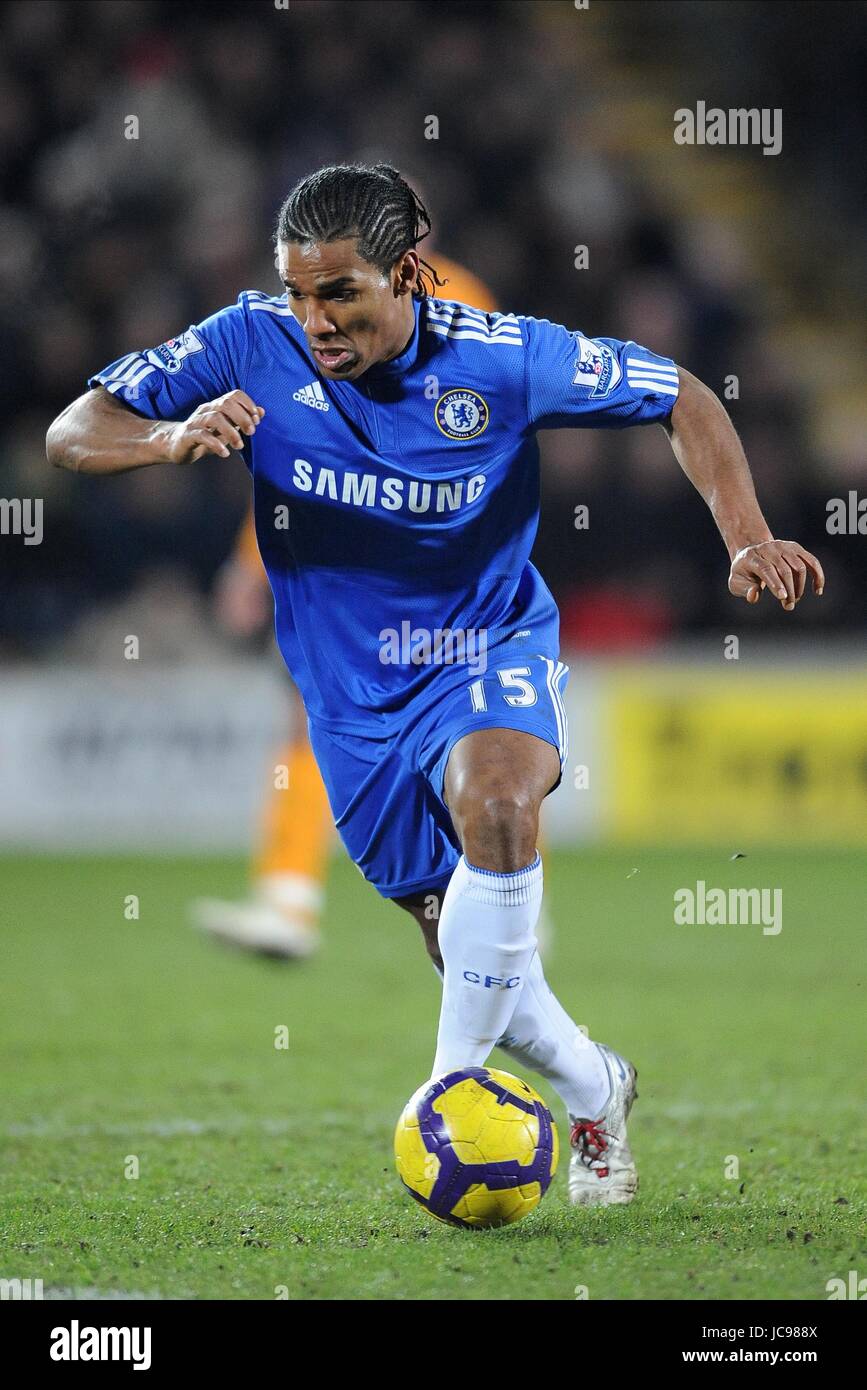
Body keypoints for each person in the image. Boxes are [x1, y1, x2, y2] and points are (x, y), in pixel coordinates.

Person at [47, 162, 824, 1206]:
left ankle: (449, 1092)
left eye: (340, 293)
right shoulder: (243, 343)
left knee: (497, 803)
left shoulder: (502, 361)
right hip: (350, 697)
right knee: (457, 938)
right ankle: (597, 1088)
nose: (313, 320)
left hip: (485, 643)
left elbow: (683, 394)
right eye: (298, 292)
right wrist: (167, 437)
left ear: (409, 275)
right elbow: (71, 431)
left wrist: (748, 536)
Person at [191, 256, 501, 960]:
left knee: (468, 730)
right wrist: (251, 561)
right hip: (336, 561)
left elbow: (488, 428)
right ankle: (288, 900)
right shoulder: (309, 312)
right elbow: (290, 445)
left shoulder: (461, 298)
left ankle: (504, 893)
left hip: (427, 556)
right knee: (310, 720)